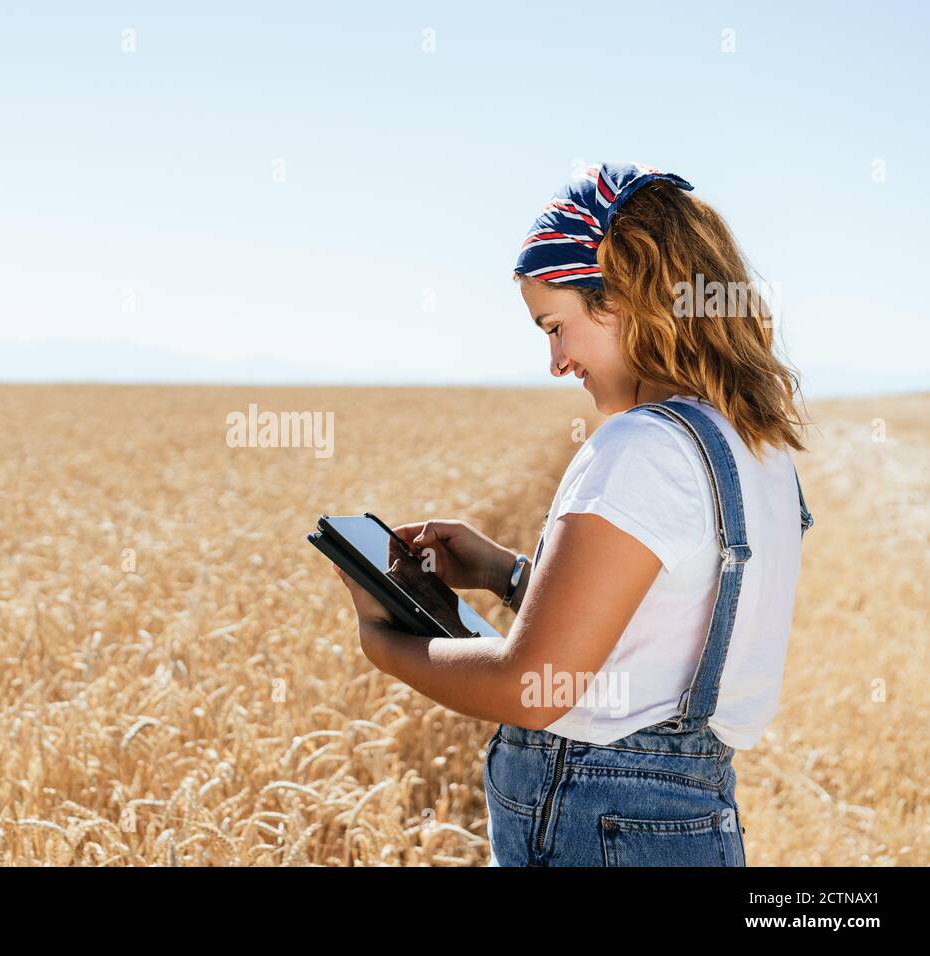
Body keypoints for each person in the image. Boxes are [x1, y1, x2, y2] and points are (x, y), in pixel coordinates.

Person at [329, 161, 814, 866]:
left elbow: (531, 690)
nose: (556, 361)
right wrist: (506, 574)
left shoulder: (641, 446)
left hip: (599, 819)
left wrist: (382, 642)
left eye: (556, 327)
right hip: (693, 821)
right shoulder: (759, 453)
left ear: (626, 299)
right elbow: (665, 633)